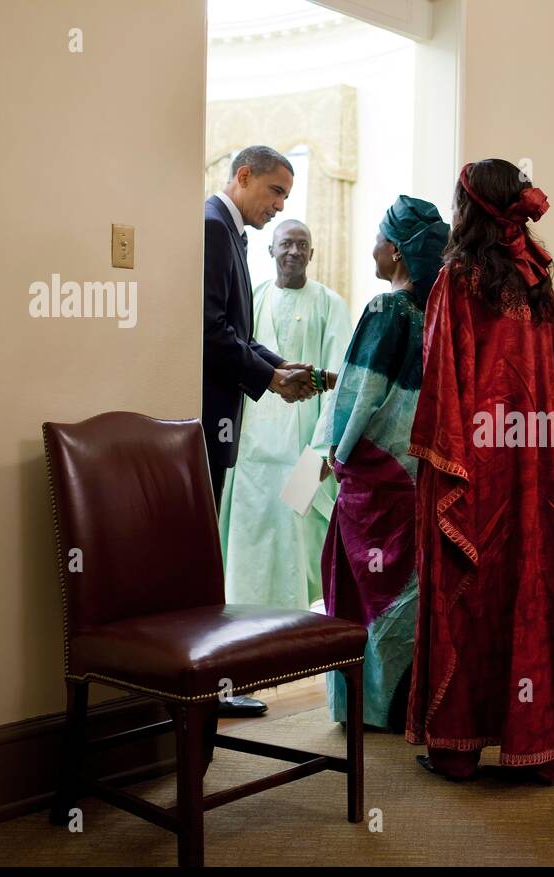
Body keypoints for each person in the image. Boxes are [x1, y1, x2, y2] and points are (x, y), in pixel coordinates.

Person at [406, 159, 554, 783]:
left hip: (476, 464)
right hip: (536, 466)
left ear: (468, 209)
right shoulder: (538, 280)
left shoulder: (457, 278)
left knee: (468, 592)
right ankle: (536, 748)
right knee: (531, 586)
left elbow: (442, 382)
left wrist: (440, 462)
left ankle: (459, 747)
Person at [311, 197, 448, 731]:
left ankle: (368, 709)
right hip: (419, 475)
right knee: (409, 589)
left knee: (362, 590)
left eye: (377, 238)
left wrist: (333, 454)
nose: (372, 247)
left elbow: (359, 392)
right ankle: (410, 703)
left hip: (375, 475)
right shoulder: (440, 313)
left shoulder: (385, 310)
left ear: (394, 252)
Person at [203, 145, 314, 717]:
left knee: (202, 558)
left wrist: (278, 367)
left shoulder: (228, 229)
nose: (279, 206)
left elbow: (236, 333)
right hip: (205, 418)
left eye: (286, 197)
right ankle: (206, 688)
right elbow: (210, 330)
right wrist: (270, 376)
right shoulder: (214, 225)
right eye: (274, 191)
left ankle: (211, 688)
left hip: (222, 415)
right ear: (243, 176)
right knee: (199, 561)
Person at [217, 219, 351, 612]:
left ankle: (291, 631)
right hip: (251, 450)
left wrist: (324, 448)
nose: (294, 251)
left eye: (302, 245)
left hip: (306, 447)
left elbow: (340, 380)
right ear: (270, 251)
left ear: (312, 253)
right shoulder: (254, 297)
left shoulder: (329, 303)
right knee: (249, 532)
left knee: (299, 539)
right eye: (286, 244)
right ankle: (242, 627)